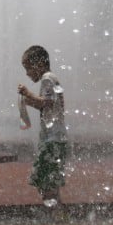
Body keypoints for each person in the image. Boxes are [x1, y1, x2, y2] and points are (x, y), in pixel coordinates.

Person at [17, 44, 67, 209]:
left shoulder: (47, 78)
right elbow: (47, 105)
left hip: (52, 140)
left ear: (38, 64)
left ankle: (56, 215)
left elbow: (45, 103)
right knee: (49, 181)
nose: (27, 73)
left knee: (46, 182)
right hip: (54, 139)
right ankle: (58, 212)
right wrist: (27, 101)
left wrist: (28, 94)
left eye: (28, 68)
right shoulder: (50, 78)